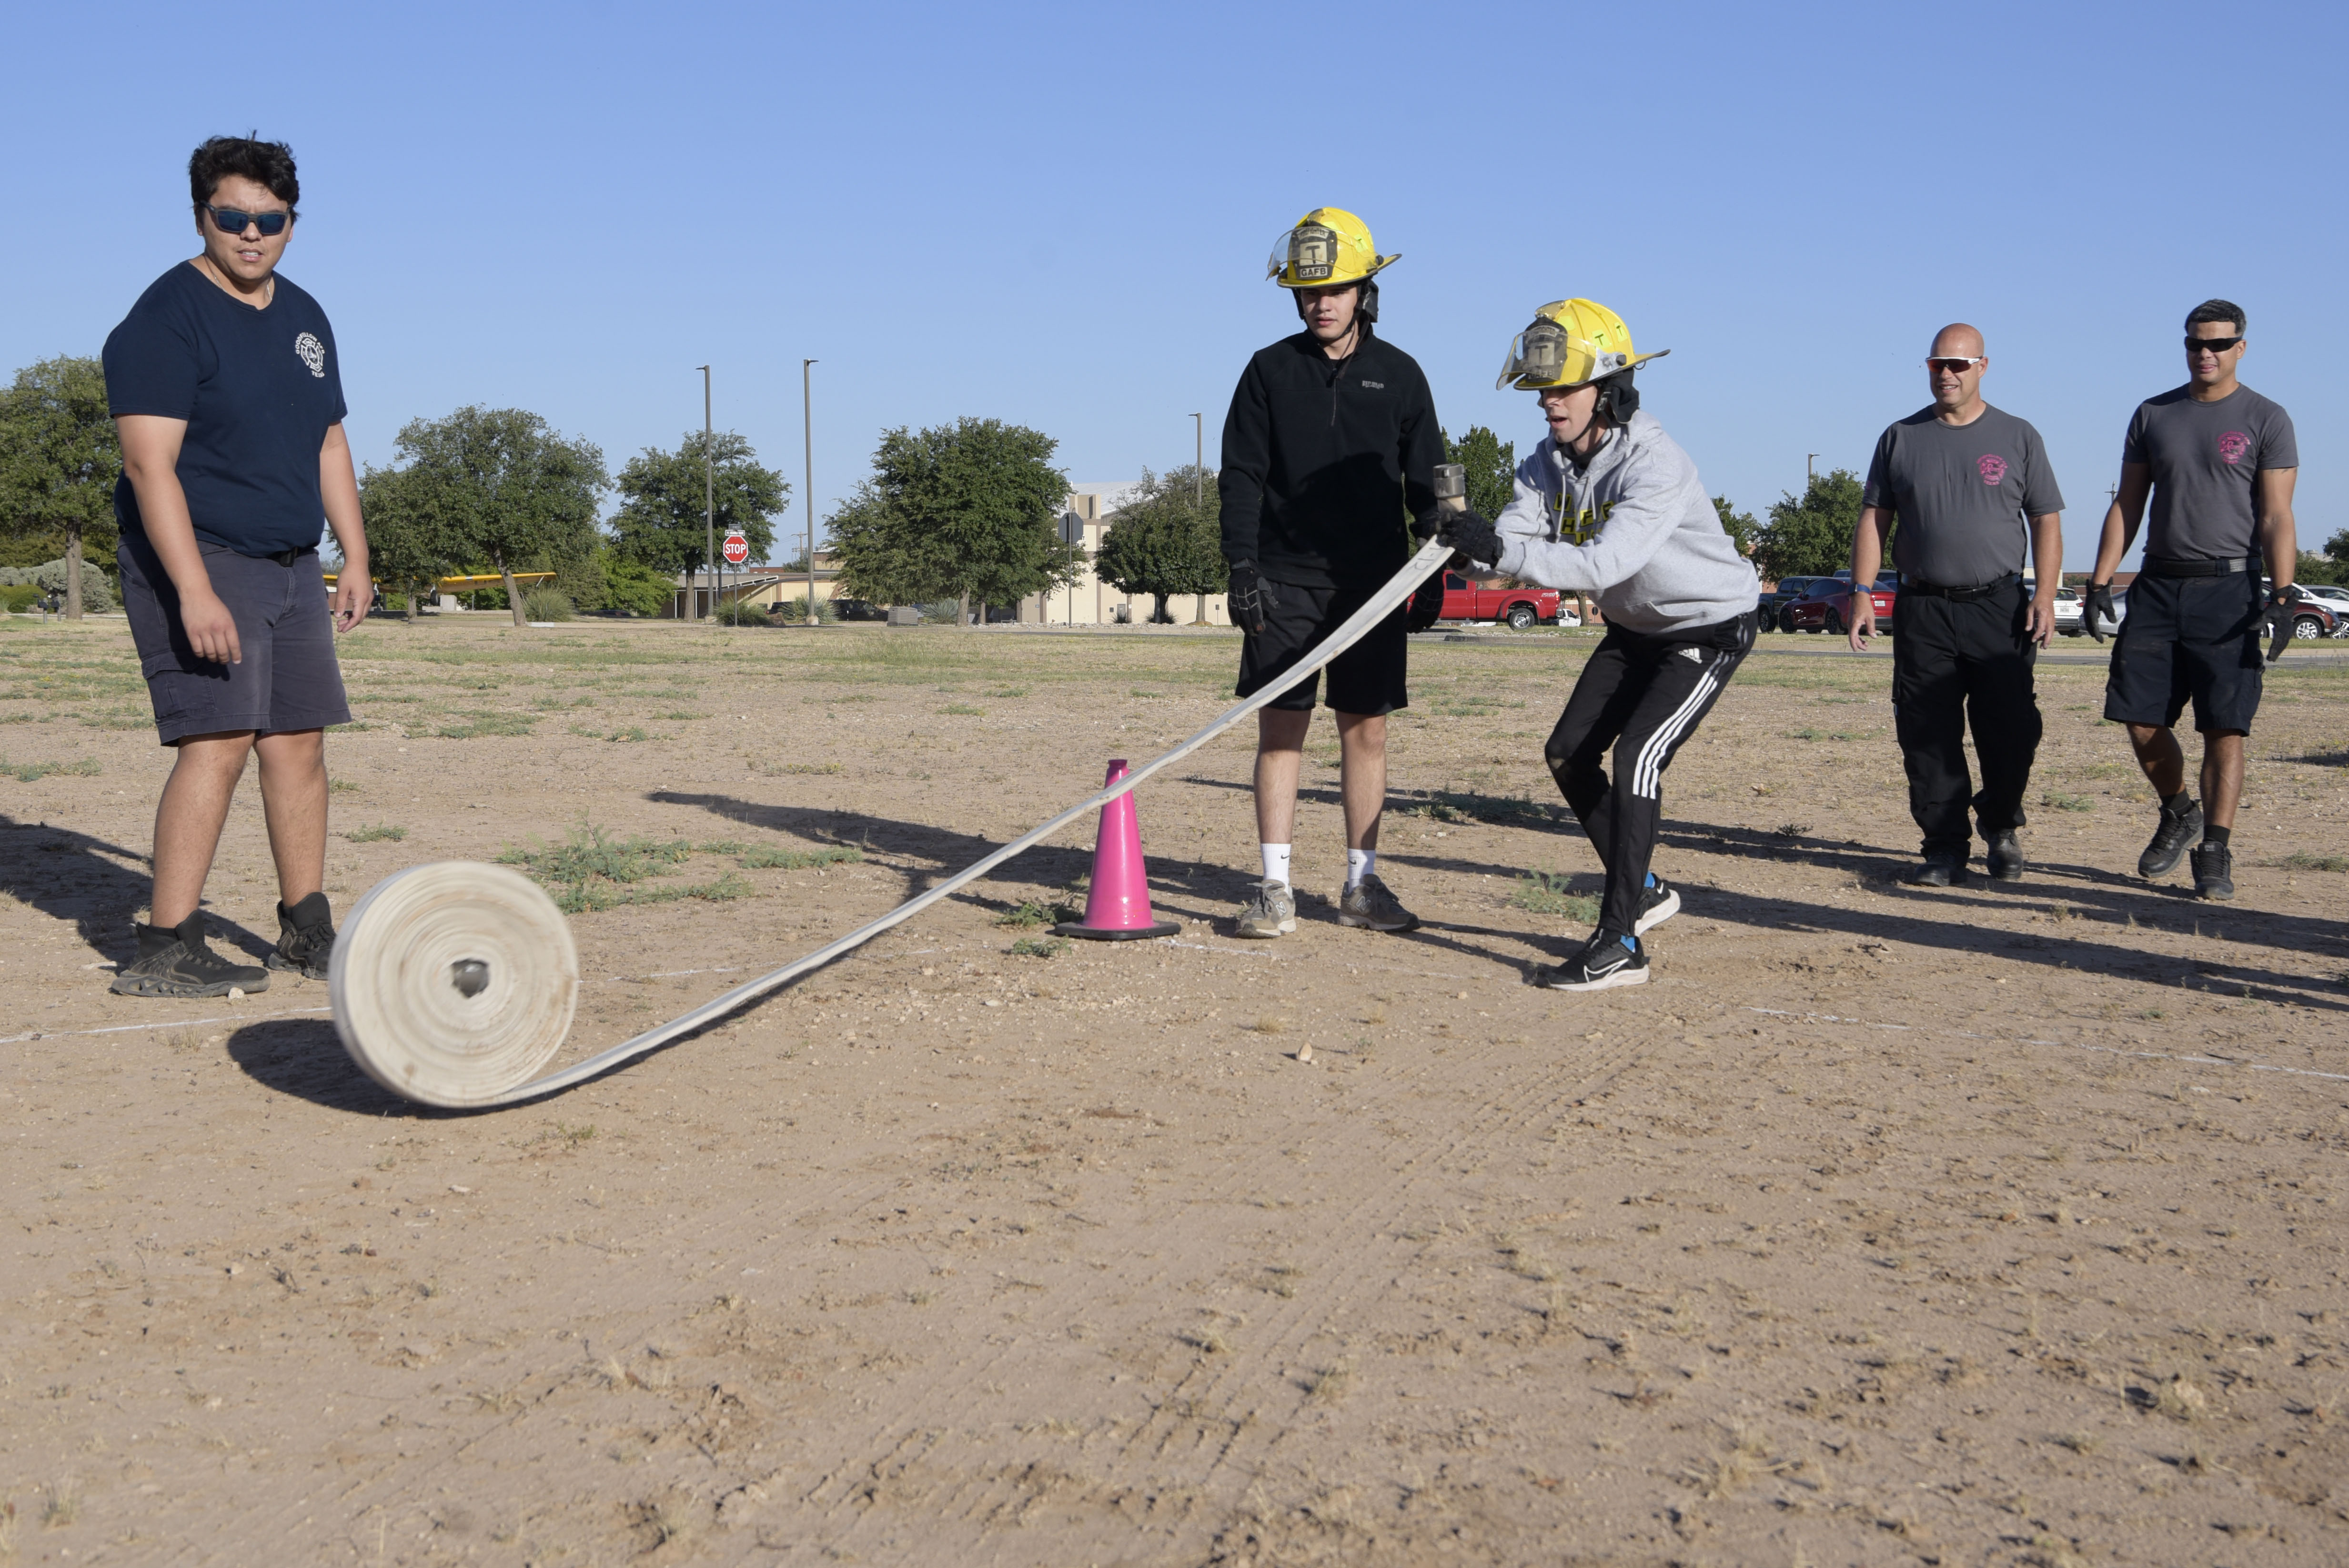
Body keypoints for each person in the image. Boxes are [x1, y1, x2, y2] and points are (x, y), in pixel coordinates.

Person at [101, 135, 370, 997]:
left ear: (292, 223)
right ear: (200, 214)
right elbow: (150, 466)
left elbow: (329, 438)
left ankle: (305, 931)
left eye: (270, 220)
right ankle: (166, 945)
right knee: (216, 741)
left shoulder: (305, 315)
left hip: (291, 564)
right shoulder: (165, 317)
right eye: (232, 217)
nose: (251, 234)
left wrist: (353, 554)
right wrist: (193, 590)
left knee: (298, 743)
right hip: (201, 556)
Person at [1440, 300, 1759, 990]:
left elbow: (1599, 567)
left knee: (1637, 755)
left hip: (1705, 628)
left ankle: (1620, 943)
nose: (1547, 402)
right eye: (1541, 390)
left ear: (1609, 391)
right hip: (1635, 630)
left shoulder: (1656, 464)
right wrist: (1466, 551)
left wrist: (1502, 551)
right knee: (1566, 755)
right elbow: (1511, 546)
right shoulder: (1544, 463)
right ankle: (1641, 888)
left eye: (1562, 388)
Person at [1218, 207, 1444, 939]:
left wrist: (1432, 567)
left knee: (1365, 733)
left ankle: (1360, 884)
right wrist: (1241, 565)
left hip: (1373, 586)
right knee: (1281, 730)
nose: (1320, 302)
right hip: (1283, 582)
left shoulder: (1402, 376)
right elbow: (1240, 476)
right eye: (1308, 291)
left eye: (1336, 288)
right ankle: (1274, 888)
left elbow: (1428, 486)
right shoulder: (1267, 370)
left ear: (1364, 292)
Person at [2086, 300, 2298, 902]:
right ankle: (2179, 810)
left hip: (2229, 589)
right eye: (2194, 343)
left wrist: (2281, 593)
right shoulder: (2153, 414)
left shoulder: (2266, 417)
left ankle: (2214, 850)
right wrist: (2102, 579)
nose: (2204, 353)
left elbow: (2276, 514)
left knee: (2222, 727)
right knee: (2137, 715)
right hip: (2156, 584)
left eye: (2217, 344)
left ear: (2240, 348)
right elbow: (2127, 504)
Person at [1848, 324, 2066, 886]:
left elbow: (2045, 518)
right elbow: (1874, 519)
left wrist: (2044, 593)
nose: (1946, 374)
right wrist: (1861, 593)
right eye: (1936, 364)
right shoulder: (1900, 436)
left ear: (1982, 367)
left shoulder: (2018, 436)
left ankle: (1999, 824)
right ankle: (1943, 847)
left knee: (2011, 730)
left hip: (1997, 607)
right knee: (1926, 733)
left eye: (1958, 365)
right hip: (1922, 607)